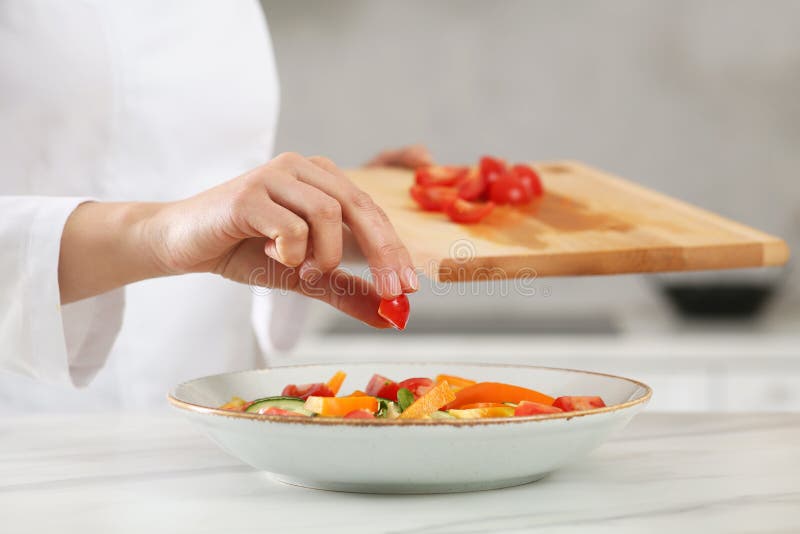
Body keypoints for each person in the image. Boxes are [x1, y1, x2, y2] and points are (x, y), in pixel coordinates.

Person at [0, 1, 431, 411]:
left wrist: (313, 216)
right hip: (34, 426)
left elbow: (202, 164)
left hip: (221, 412)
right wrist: (157, 234)